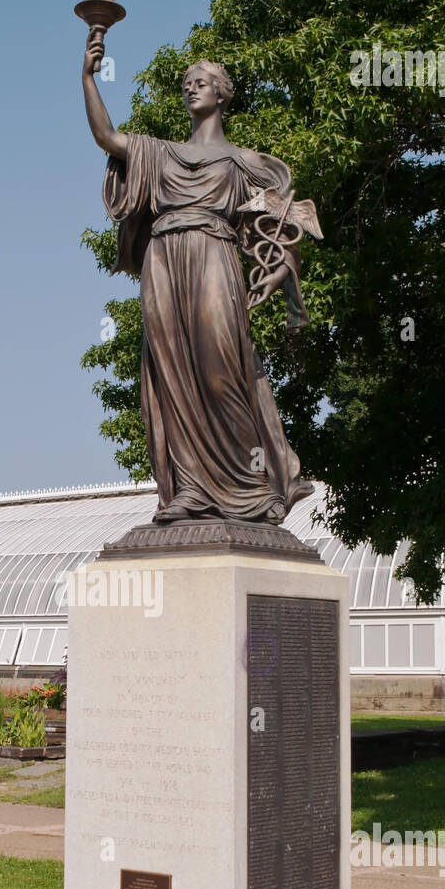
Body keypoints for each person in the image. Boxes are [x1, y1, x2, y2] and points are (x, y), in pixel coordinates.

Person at [82, 37, 314, 524]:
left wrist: (280, 276)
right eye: (187, 84)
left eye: (202, 83)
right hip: (164, 261)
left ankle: (252, 484)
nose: (191, 89)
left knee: (218, 366)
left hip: (214, 254)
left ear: (222, 94)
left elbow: (286, 226)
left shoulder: (244, 164)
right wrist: (88, 77)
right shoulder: (159, 153)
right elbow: (107, 137)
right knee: (173, 375)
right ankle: (190, 489)